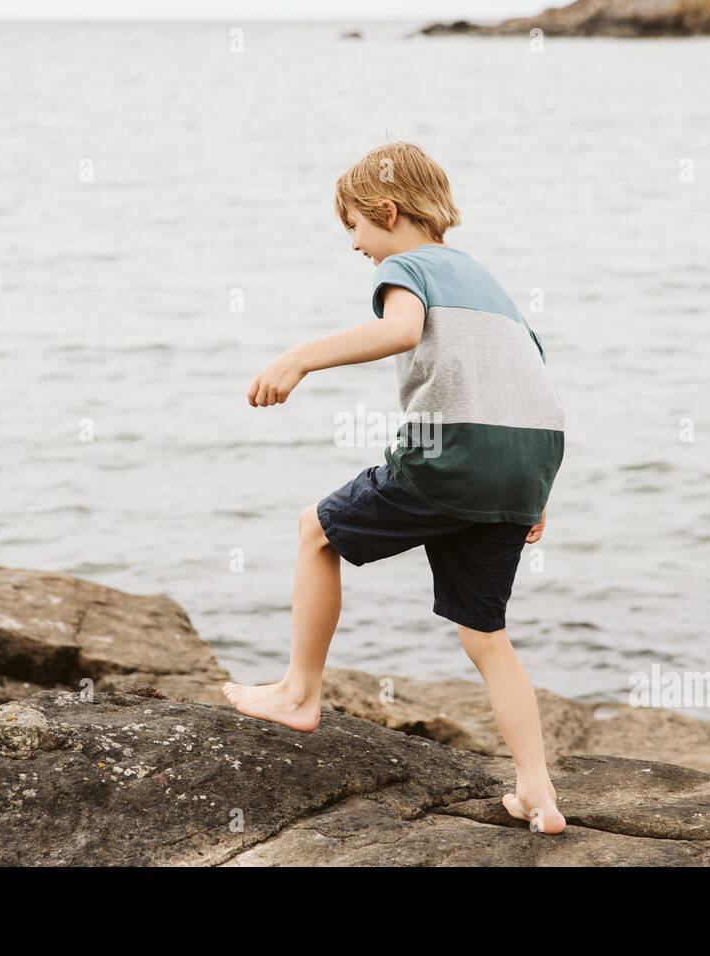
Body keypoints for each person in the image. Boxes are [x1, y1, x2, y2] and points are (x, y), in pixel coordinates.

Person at [223, 141, 567, 833]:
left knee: (315, 531)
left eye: (353, 225)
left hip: (456, 453)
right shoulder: (484, 278)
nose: (354, 244)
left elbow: (402, 330)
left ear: (387, 210)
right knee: (486, 636)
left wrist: (299, 359)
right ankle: (539, 792)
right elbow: (529, 371)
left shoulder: (409, 265)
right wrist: (534, 493)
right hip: (528, 460)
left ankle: (298, 692)